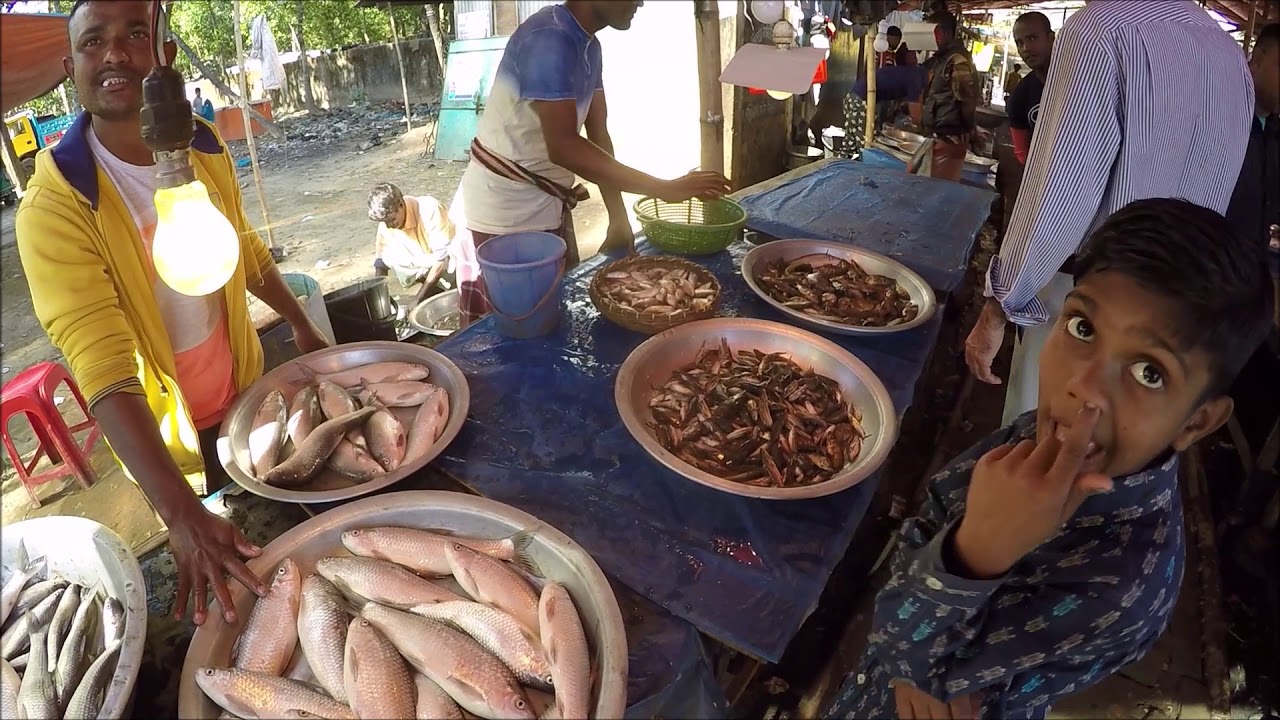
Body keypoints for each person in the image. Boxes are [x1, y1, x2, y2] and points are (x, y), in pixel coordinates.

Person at [825, 198, 1275, 719]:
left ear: (1196, 422)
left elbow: (903, 646)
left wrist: (975, 554)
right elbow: (928, 514)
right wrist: (919, 657)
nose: (1083, 387)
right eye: (1082, 327)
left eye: (1149, 372)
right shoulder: (1037, 434)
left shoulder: (1123, 588)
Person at [16, 0, 332, 626]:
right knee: (226, 588)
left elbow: (241, 247)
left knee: (286, 546)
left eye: (135, 34)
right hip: (165, 439)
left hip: (245, 399)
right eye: (93, 41)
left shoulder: (205, 147)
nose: (114, 53)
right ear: (68, 66)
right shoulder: (56, 206)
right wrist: (180, 514)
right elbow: (101, 364)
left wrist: (298, 321)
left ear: (165, 55)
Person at [964, 0, 1254, 427]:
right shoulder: (1227, 54)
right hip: (1174, 310)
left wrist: (1000, 303)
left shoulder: (1099, 31)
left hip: (1090, 300)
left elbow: (1058, 190)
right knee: (1116, 448)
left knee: (1047, 444)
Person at [454, 0, 729, 327]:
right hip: (502, 217)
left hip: (547, 205)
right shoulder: (548, 39)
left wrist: (618, 217)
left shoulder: (588, 46)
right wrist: (664, 189)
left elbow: (599, 135)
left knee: (552, 323)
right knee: (510, 336)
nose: (641, 2)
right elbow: (565, 148)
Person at [1227, 22, 1279, 253]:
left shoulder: (1275, 130)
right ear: (1257, 59)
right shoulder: (1221, 117)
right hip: (1208, 266)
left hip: (1250, 266)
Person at [910, 11, 978, 182]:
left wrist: (970, 130)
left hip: (950, 139)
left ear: (946, 33)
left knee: (935, 192)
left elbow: (967, 100)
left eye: (932, 32)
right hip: (940, 138)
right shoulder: (942, 60)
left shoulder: (957, 60)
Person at [368, 182, 454, 303]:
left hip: (451, 261)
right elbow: (381, 262)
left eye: (392, 220)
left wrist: (417, 299)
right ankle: (432, 289)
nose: (389, 225)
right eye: (384, 222)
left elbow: (441, 260)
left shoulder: (429, 209)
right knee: (389, 256)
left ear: (401, 205)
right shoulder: (387, 224)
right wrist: (380, 300)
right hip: (426, 263)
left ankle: (446, 288)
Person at [1006, 13, 1054, 165]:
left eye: (1033, 38)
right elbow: (1022, 154)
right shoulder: (1020, 95)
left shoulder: (1080, 81)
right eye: (1019, 42)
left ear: (1051, 38)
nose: (1026, 48)